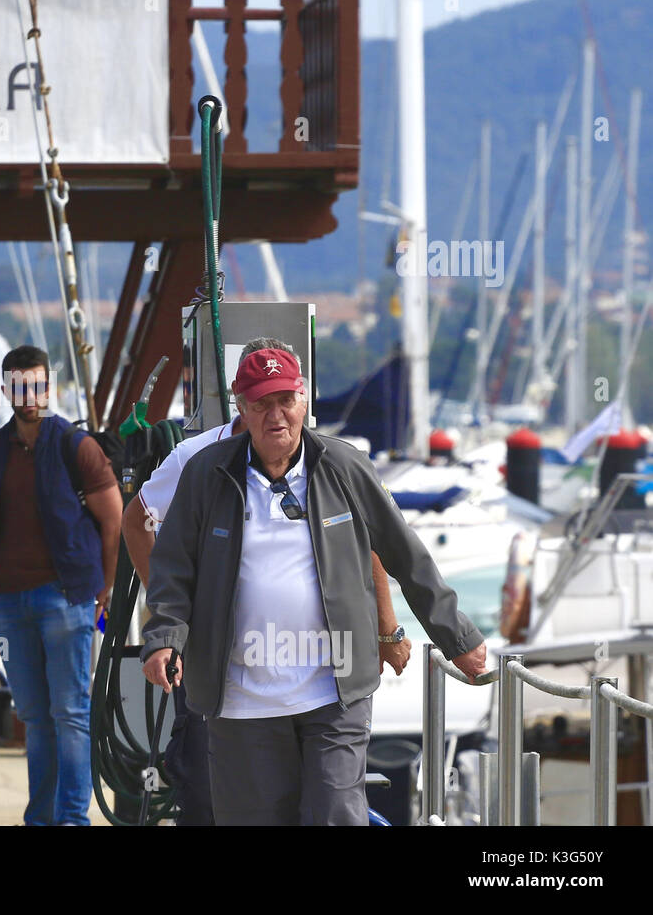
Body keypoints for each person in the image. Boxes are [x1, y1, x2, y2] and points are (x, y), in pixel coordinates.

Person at [141, 346, 488, 825]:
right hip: (240, 696)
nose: (276, 415)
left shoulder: (345, 467)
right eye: (261, 404)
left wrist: (457, 637)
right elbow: (173, 568)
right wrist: (163, 639)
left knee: (336, 814)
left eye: (285, 400)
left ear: (303, 401)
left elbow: (404, 554)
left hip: (335, 688)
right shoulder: (206, 474)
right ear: (241, 408)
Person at [0, 345, 122, 826]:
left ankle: (72, 819)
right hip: (9, 602)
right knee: (35, 718)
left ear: (48, 388)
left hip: (65, 597)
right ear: (5, 390)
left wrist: (108, 588)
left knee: (71, 713)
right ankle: (41, 818)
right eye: (19, 385)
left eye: (36, 384)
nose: (29, 394)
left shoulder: (78, 446)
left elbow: (114, 519)